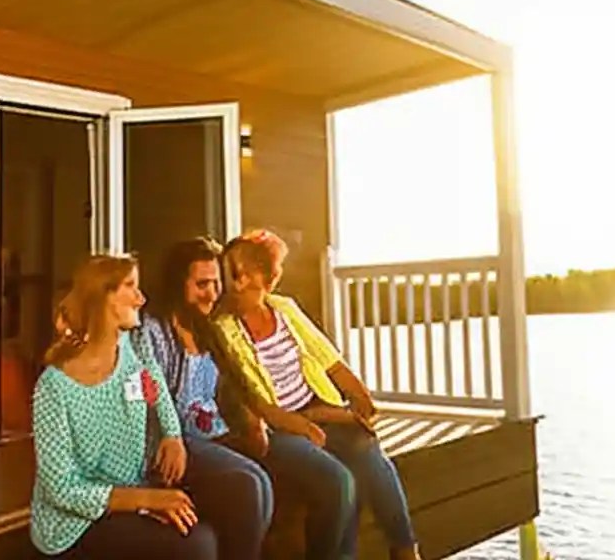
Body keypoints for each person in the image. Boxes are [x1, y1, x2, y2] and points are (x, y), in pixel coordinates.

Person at [213, 229, 421, 560]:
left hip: (313, 409)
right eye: (228, 276)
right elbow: (254, 401)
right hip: (276, 427)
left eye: (240, 274)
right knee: (339, 480)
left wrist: (359, 397)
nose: (232, 284)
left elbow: (329, 360)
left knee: (366, 451)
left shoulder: (285, 309)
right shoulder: (223, 327)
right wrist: (307, 422)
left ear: (264, 279)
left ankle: (405, 548)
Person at [29, 254, 216, 559]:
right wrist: (144, 501)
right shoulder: (53, 388)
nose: (141, 298)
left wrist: (172, 434)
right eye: (131, 286)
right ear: (103, 297)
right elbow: (61, 490)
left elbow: (154, 383)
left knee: (217, 513)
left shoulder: (131, 346)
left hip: (131, 490)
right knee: (196, 546)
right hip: (76, 525)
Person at [136, 237, 273, 560]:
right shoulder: (152, 332)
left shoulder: (205, 328)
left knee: (261, 482)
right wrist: (169, 437)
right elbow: (150, 395)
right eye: (201, 284)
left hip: (215, 433)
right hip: (174, 442)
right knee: (248, 485)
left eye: (215, 283)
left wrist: (251, 418)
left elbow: (231, 386)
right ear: (177, 284)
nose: (211, 293)